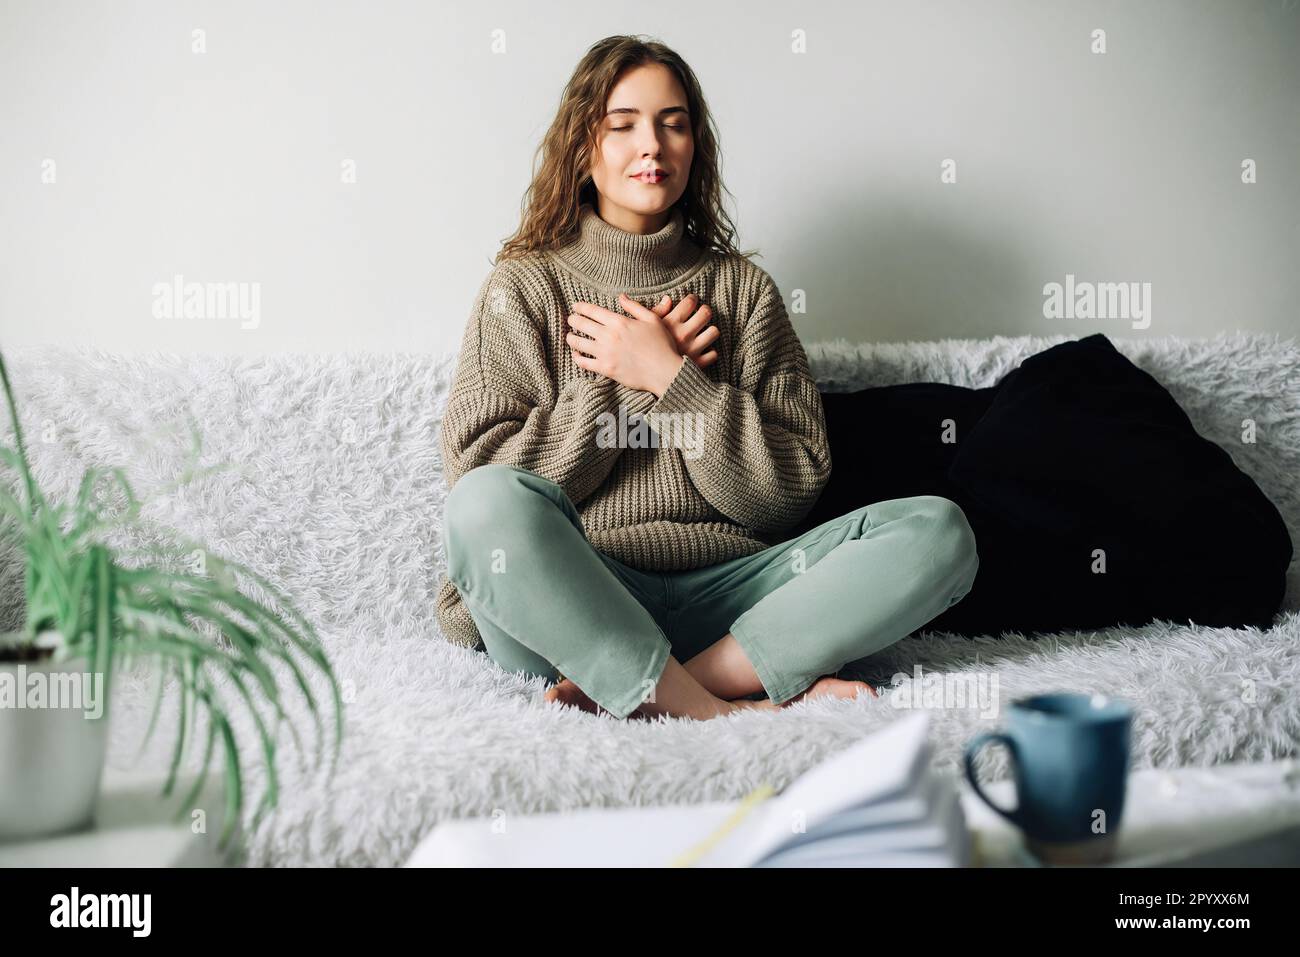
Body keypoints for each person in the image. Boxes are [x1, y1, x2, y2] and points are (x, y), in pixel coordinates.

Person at [435, 35, 978, 721]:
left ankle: (668, 690)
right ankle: (726, 708)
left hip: (740, 603)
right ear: (581, 147)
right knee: (480, 504)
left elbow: (783, 496)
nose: (652, 145)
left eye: (674, 123)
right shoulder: (522, 288)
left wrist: (674, 379)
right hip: (583, 604)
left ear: (696, 145)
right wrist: (622, 382)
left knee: (940, 532)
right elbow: (482, 479)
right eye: (622, 124)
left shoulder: (745, 293)